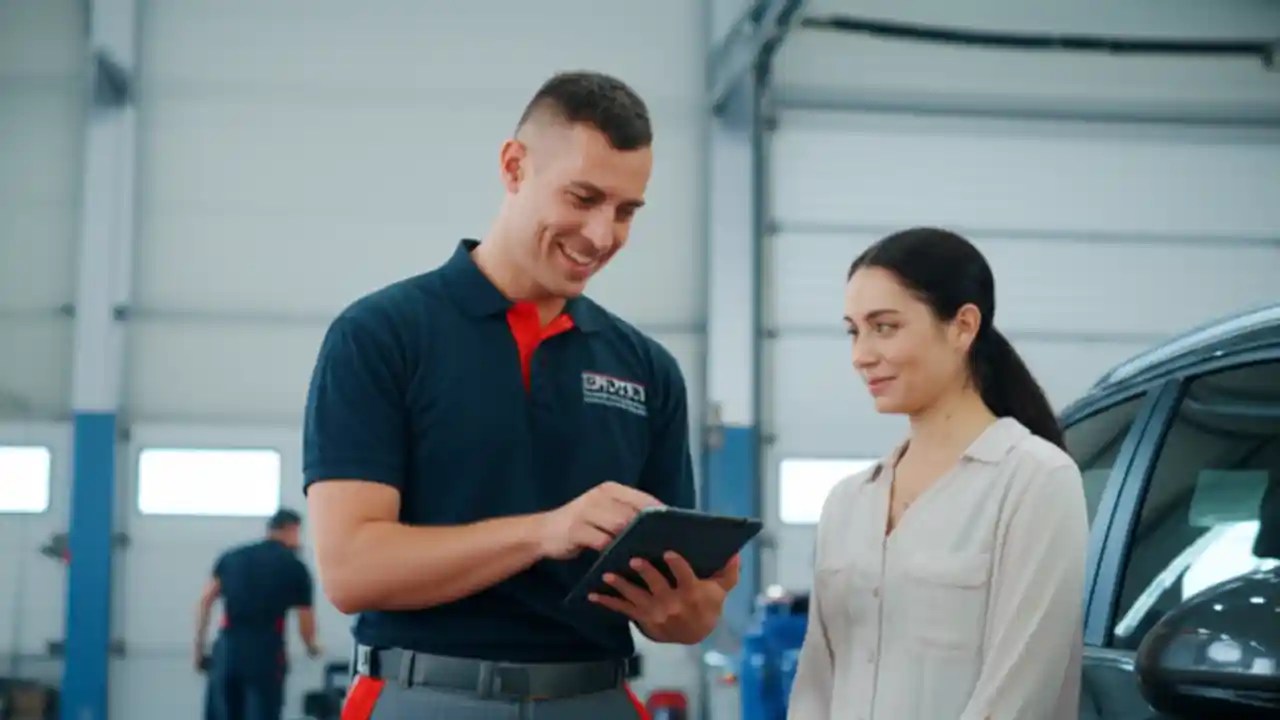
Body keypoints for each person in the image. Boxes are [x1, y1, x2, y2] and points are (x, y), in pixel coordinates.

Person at [302, 70, 739, 719]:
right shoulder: (382, 335)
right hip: (423, 696)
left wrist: (690, 609)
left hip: (597, 698)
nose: (601, 234)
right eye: (583, 197)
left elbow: (690, 616)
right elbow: (351, 570)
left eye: (625, 211)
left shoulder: (647, 370)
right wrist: (546, 532)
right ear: (514, 166)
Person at [787, 228, 1088, 720]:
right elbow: (816, 688)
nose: (861, 353)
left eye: (884, 327)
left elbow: (1018, 696)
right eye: (853, 330)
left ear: (963, 326)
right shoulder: (848, 503)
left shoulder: (1035, 481)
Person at [195, 508, 321, 720]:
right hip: (266, 653)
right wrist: (312, 648)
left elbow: (205, 601)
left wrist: (199, 649)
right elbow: (305, 621)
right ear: (293, 529)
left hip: (228, 649)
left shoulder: (232, 557)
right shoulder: (295, 567)